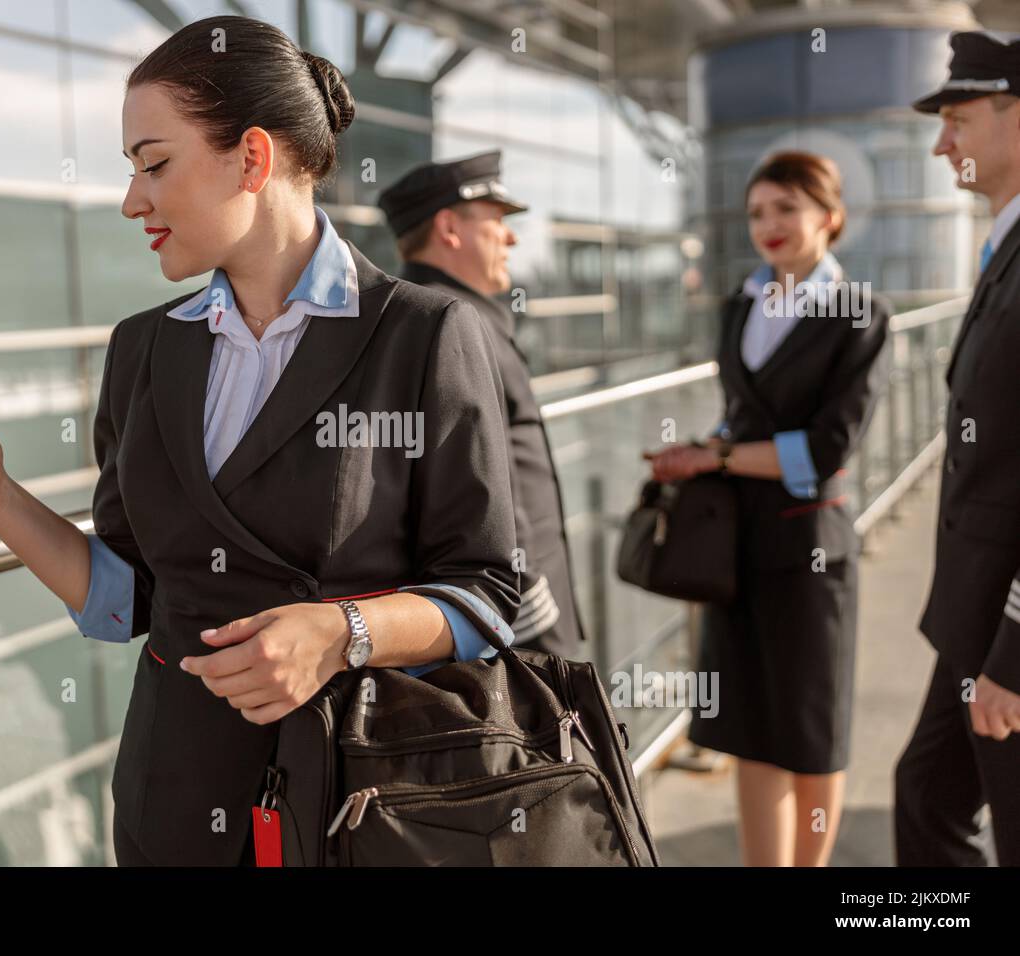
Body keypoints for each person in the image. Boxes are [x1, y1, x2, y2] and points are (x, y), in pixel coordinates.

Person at [0, 15, 520, 866]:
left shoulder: (426, 333)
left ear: (252, 158)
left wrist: (343, 632)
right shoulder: (143, 350)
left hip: (363, 802)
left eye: (154, 164)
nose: (131, 199)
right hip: (175, 795)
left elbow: (485, 596)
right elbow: (126, 600)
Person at [644, 151, 890, 866]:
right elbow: (743, 420)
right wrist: (701, 448)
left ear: (830, 217)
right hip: (736, 551)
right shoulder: (741, 304)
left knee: (811, 739)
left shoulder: (860, 315)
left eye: (787, 208)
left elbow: (825, 452)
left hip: (810, 551)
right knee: (751, 733)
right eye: (757, 212)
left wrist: (716, 458)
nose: (769, 225)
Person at [375, 151, 588, 660]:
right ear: (450, 228)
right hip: (514, 616)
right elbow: (487, 473)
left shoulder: (429, 312)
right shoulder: (452, 319)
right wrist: (530, 610)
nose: (511, 237)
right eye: (496, 222)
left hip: (500, 607)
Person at [896, 29, 1020, 867]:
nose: (943, 143)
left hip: (1006, 632)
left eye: (961, 121)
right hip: (976, 619)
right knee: (926, 798)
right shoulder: (1004, 247)